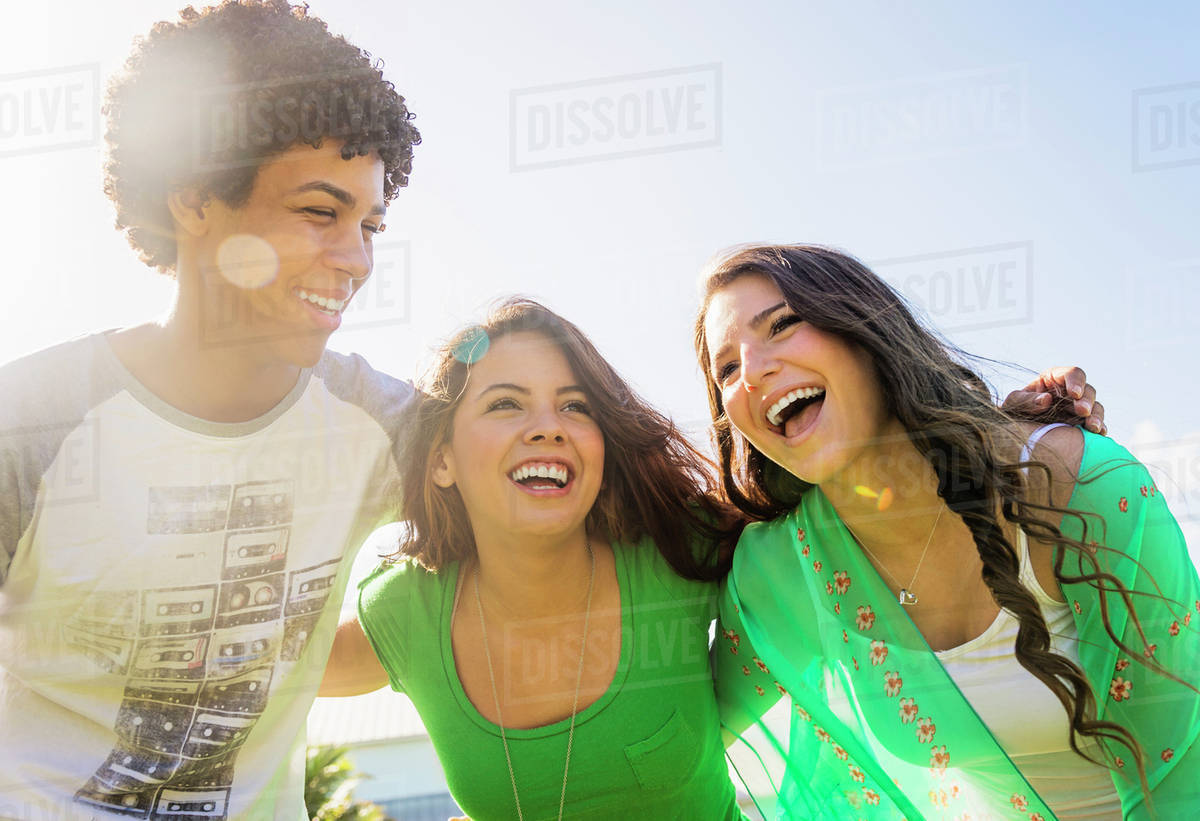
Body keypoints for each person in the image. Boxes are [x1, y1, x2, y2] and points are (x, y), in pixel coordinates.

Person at [321, 297, 1108, 820]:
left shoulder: (677, 544)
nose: (547, 426)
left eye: (575, 405)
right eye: (504, 404)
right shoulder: (408, 609)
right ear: (442, 461)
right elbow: (257, 659)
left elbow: (850, 489)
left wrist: (985, 432)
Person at [0, 2, 419, 818]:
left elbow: (576, 483)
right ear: (194, 200)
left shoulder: (377, 425)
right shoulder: (29, 423)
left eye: (369, 223)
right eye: (318, 212)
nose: (357, 258)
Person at [696, 244, 1199, 820]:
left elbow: (1179, 762)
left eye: (782, 325)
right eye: (728, 369)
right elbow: (684, 737)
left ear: (867, 330)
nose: (754, 372)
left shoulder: (1075, 482)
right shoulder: (779, 567)